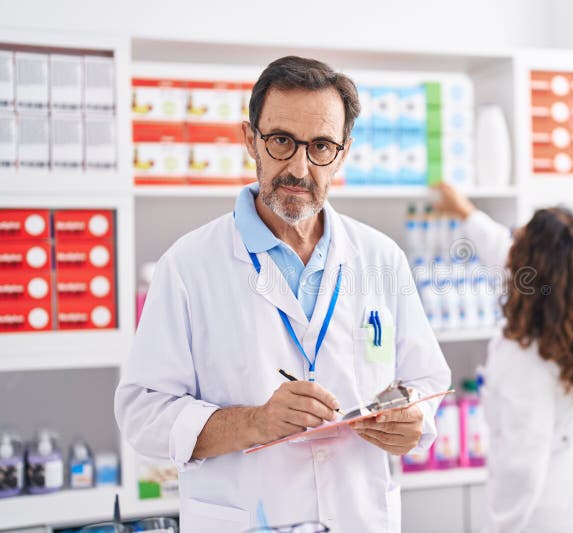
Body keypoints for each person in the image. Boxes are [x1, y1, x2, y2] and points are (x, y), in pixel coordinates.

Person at [115, 56, 451, 533]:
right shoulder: (188, 265)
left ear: (344, 152)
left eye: (320, 146)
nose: (298, 166)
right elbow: (141, 414)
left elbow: (426, 378)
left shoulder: (381, 258)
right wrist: (254, 422)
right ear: (250, 139)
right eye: (281, 141)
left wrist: (411, 420)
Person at [435, 182, 573, 533]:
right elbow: (506, 255)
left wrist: (498, 526)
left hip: (533, 518)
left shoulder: (524, 357)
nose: (512, 248)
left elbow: (520, 468)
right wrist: (467, 213)